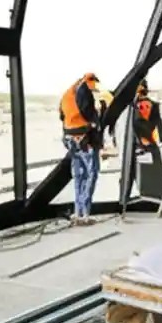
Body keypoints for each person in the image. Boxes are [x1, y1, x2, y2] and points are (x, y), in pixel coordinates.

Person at [60, 72, 103, 226]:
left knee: (78, 175)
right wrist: (97, 118)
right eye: (94, 83)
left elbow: (61, 115)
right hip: (84, 139)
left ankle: (77, 212)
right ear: (89, 80)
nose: (94, 87)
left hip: (69, 138)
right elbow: (87, 111)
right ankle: (85, 213)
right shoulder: (84, 90)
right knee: (92, 173)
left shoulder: (67, 94)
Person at [129, 79, 162, 201]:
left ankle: (144, 194)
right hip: (149, 143)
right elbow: (159, 124)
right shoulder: (151, 105)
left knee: (137, 171)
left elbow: (133, 126)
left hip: (138, 144)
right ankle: (155, 195)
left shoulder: (132, 107)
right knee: (155, 169)